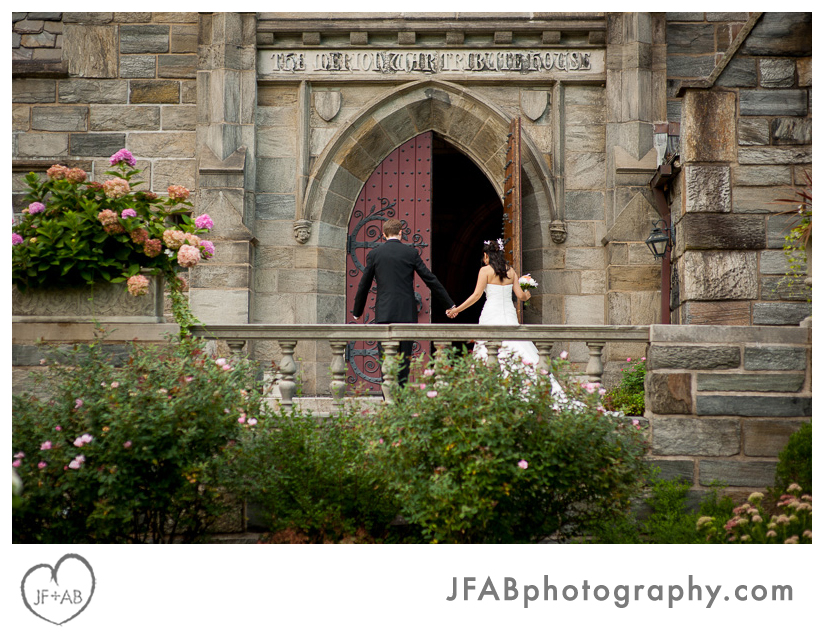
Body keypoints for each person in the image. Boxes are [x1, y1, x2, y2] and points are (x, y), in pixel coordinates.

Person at [353, 218, 456, 386]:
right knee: (404, 361)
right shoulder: (410, 253)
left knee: (386, 360)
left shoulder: (375, 254)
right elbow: (430, 279)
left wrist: (357, 311)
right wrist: (449, 304)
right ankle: (400, 399)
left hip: (384, 314)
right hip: (406, 314)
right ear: (401, 232)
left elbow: (364, 285)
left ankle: (389, 401)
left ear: (383, 234)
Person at [446, 238, 539, 365]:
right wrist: (527, 295)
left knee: (487, 344)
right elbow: (520, 296)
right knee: (515, 342)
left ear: (486, 255)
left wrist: (456, 310)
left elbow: (476, 295)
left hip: (491, 313)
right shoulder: (511, 271)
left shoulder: (485, 271)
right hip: (509, 315)